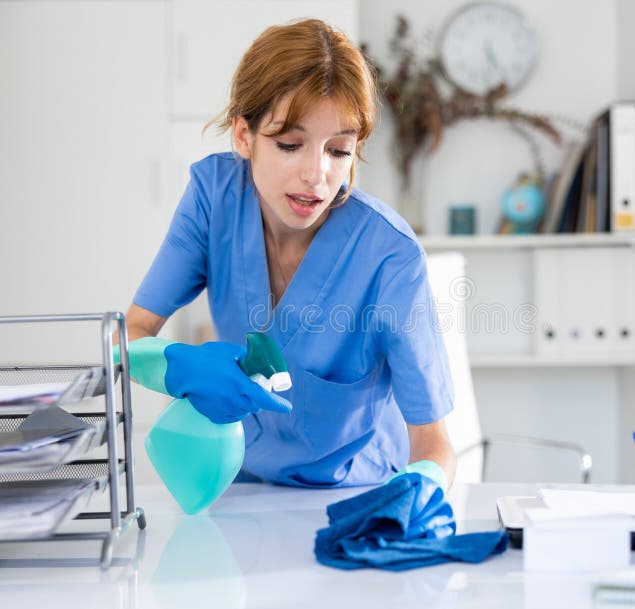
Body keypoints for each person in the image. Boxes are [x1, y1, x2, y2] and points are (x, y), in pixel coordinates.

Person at [124, 19, 456, 491]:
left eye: (339, 150)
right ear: (243, 135)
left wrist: (418, 493)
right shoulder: (214, 198)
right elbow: (127, 337)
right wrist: (173, 365)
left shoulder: (388, 255)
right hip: (238, 487)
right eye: (289, 145)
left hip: (353, 498)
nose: (317, 174)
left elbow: (434, 444)